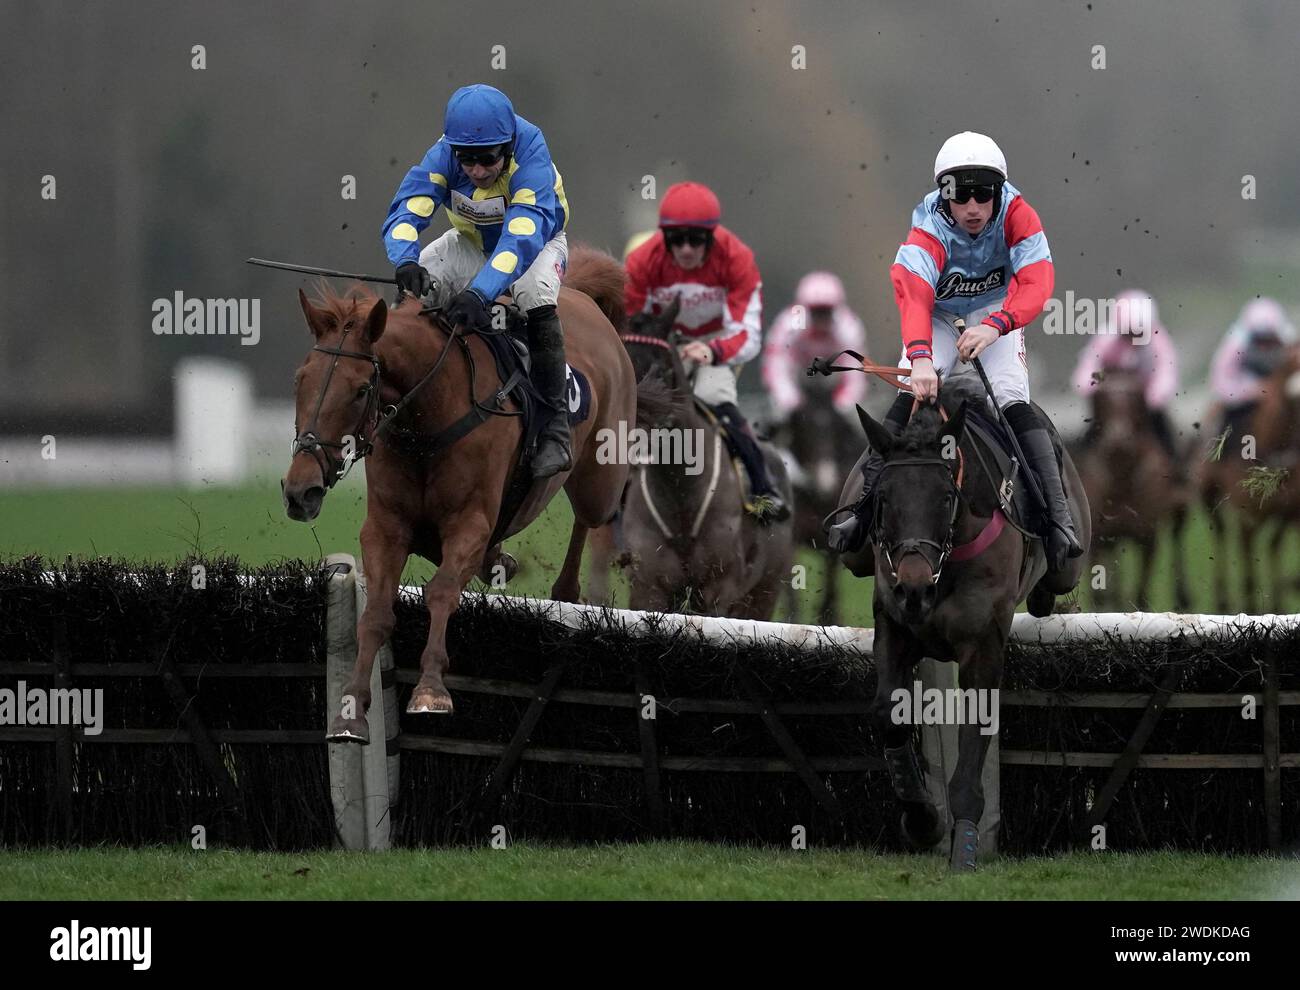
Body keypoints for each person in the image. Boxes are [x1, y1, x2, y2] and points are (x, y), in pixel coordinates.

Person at [827, 131, 1084, 570]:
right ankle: (862, 511)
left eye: (983, 195)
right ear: (942, 194)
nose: (971, 208)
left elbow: (1037, 283)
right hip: (938, 316)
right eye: (959, 195)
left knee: (1012, 402)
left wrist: (996, 324)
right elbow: (915, 297)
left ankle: (1057, 521)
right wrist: (922, 359)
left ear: (998, 193)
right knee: (911, 396)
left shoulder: (1020, 215)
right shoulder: (927, 228)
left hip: (996, 312)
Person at [381, 83, 573, 478]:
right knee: (414, 291)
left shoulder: (531, 150)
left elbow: (520, 237)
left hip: (536, 244)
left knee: (534, 293)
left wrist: (479, 293)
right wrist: (406, 261)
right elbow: (407, 211)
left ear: (507, 145)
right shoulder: (442, 156)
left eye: (487, 159)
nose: (477, 171)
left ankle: (554, 426)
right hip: (469, 242)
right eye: (467, 160)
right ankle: (397, 409)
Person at [624, 181, 789, 521]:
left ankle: (763, 488)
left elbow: (748, 333)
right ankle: (616, 493)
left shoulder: (737, 258)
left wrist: (713, 351)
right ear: (663, 237)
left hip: (716, 347)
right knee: (637, 404)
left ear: (711, 237)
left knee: (715, 396)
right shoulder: (642, 261)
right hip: (661, 347)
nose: (686, 249)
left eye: (696, 240)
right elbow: (631, 322)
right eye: (676, 239)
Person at [1071, 289, 1179, 459]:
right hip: (1112, 400)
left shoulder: (1159, 341)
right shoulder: (1106, 338)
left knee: (1165, 433)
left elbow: (1165, 372)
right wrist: (1095, 386)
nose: (1133, 338)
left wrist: (1153, 397)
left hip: (1146, 404)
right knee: (1091, 432)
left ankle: (1175, 466)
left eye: (1139, 333)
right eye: (1129, 333)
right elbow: (1091, 368)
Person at [762, 271, 867, 423]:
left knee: (857, 422)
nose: (821, 317)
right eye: (816, 311)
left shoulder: (848, 327)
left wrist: (844, 403)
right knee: (777, 420)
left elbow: (855, 373)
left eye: (826, 311)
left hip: (832, 380)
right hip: (798, 378)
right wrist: (789, 399)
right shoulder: (789, 325)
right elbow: (776, 367)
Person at [1208, 297, 1298, 441]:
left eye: (1269, 339)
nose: (1265, 346)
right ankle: (1218, 455)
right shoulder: (1233, 346)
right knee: (1223, 423)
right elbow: (1220, 383)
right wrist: (1252, 391)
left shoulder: (1289, 342)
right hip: (1242, 391)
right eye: (1260, 340)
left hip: (1278, 388)